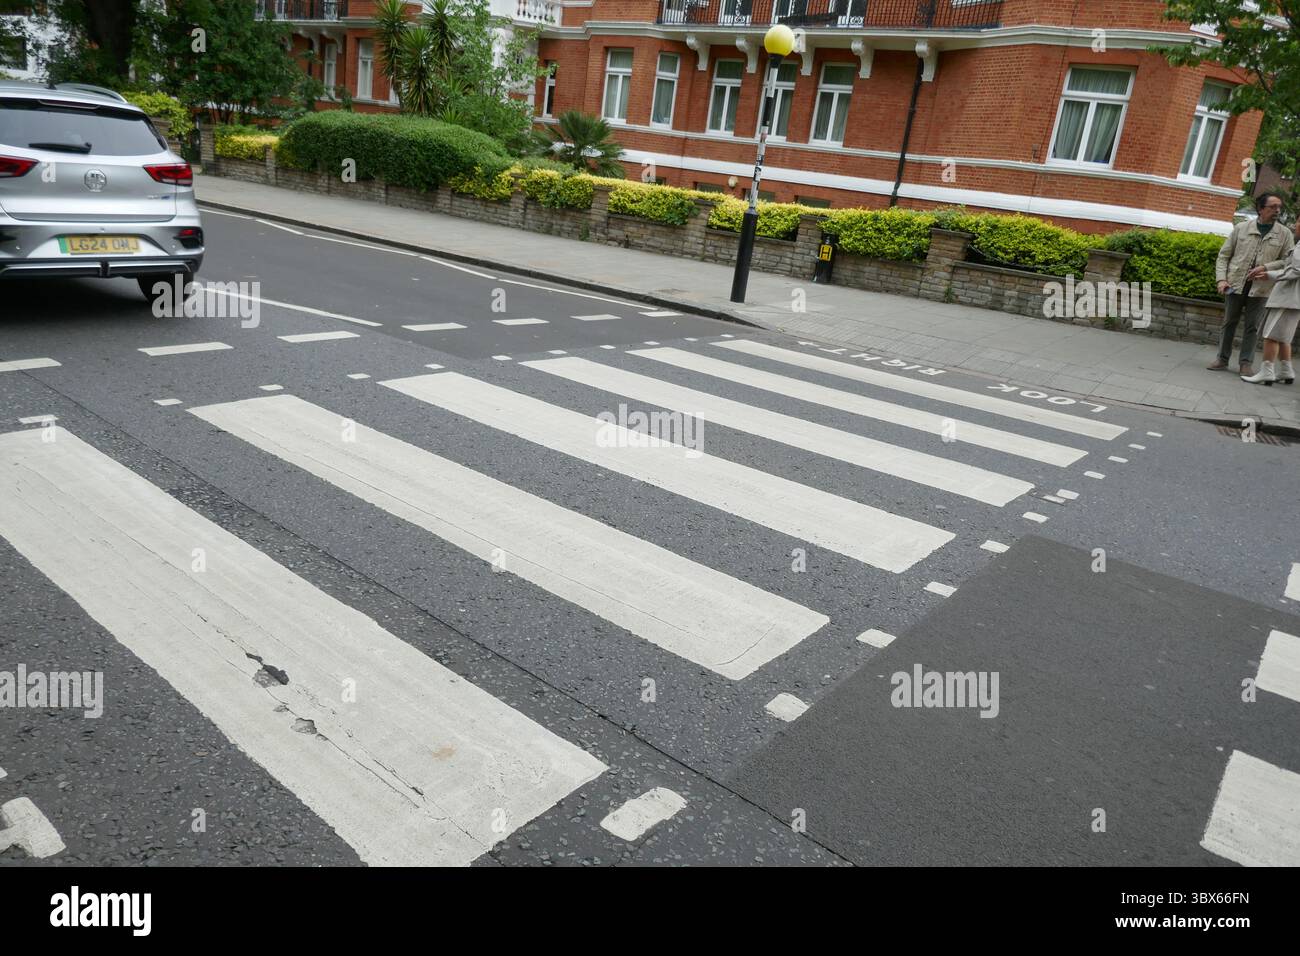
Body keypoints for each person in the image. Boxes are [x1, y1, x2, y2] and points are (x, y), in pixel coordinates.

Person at [1209, 193, 1296, 376]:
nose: (1277, 210)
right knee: (1229, 322)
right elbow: (1224, 256)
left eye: (1279, 207)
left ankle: (1245, 363)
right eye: (1272, 207)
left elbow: (1288, 261)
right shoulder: (1241, 228)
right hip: (1234, 283)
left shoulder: (1284, 234)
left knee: (1253, 327)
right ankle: (1222, 359)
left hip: (1262, 288)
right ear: (1260, 208)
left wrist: (1266, 267)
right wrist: (1221, 280)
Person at [1242, 217, 1300, 385]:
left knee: (1270, 335)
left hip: (1287, 298)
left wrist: (1273, 275)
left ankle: (1267, 372)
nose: (1294, 225)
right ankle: (1286, 370)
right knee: (1283, 336)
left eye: (1297, 221)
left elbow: (1295, 270)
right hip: (1292, 299)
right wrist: (1270, 274)